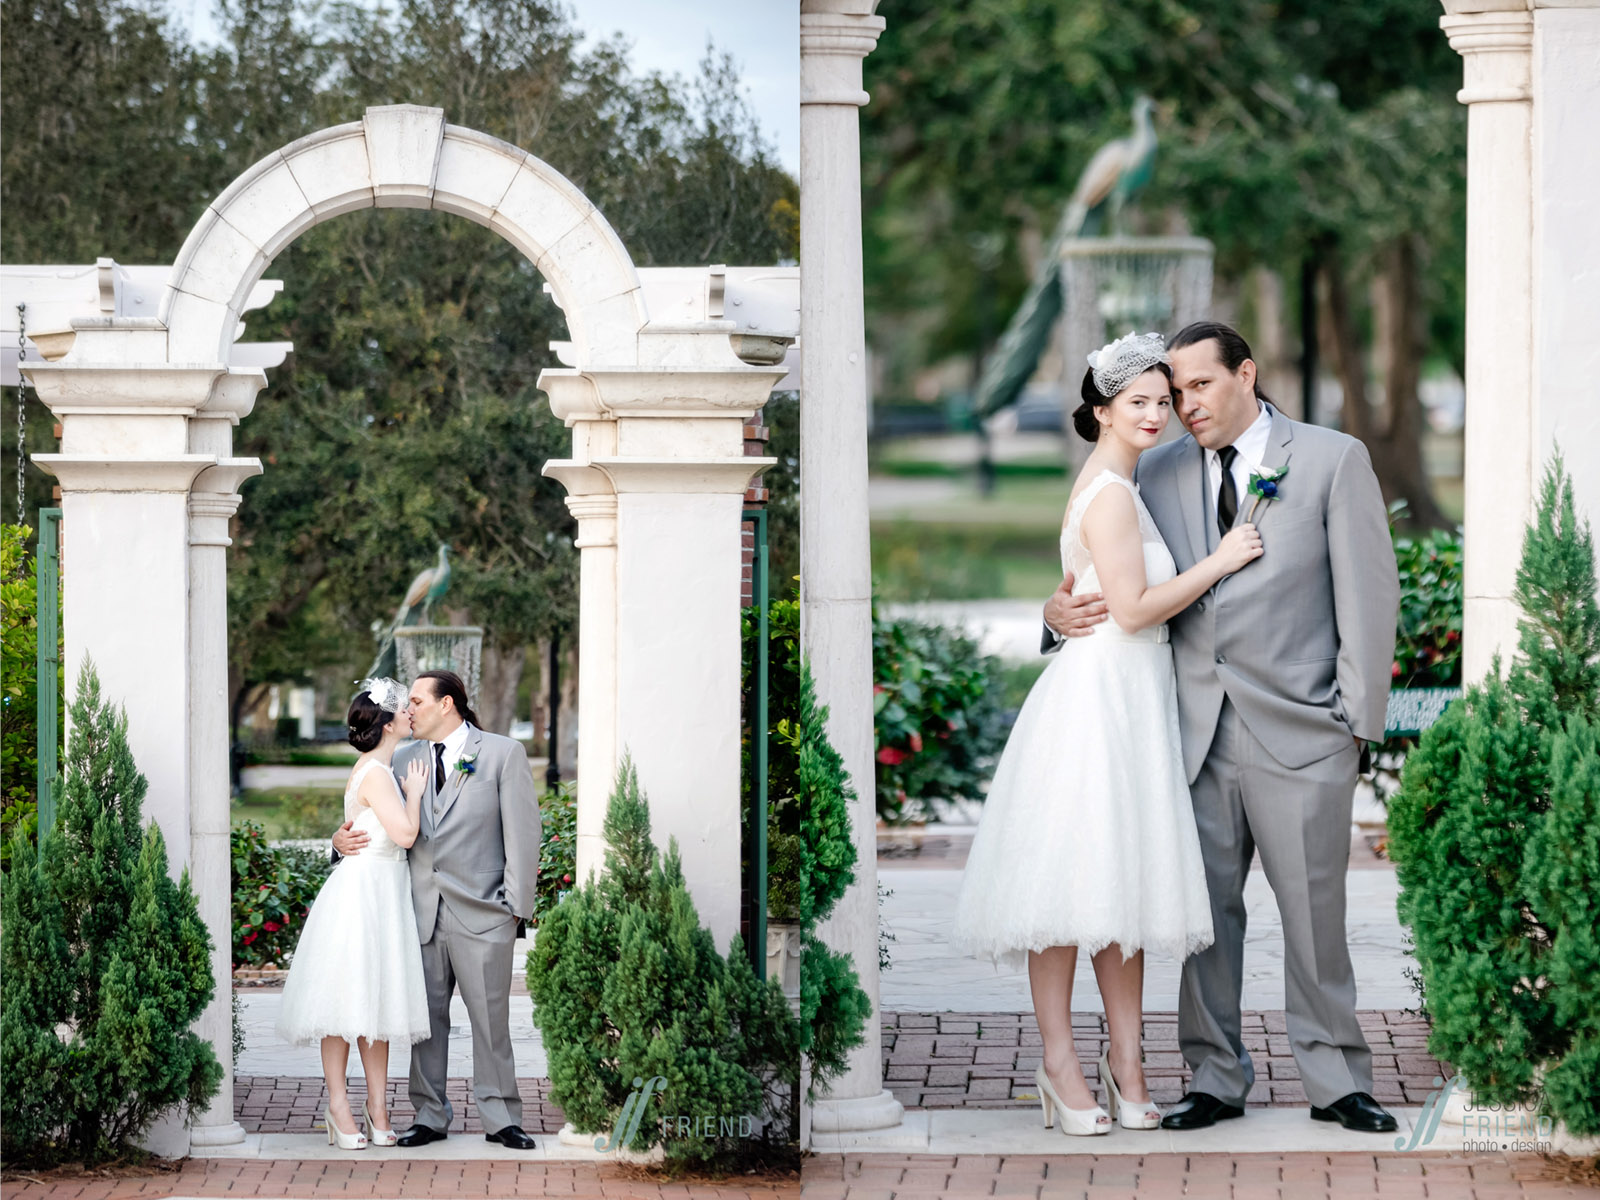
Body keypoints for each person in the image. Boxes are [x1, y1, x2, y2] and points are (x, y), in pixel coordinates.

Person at [1043, 321, 1401, 1133]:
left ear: (1246, 374)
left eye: (1199, 386)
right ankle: (1213, 1076)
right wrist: (1053, 615)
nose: (1184, 406)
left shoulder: (1332, 459)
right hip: (1190, 732)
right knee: (1202, 922)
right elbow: (1102, 571)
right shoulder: (1156, 468)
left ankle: (1337, 1081)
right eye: (1174, 393)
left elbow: (1370, 596)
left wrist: (1355, 725)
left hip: (1304, 729)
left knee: (1315, 916)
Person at [952, 331, 1264, 1136]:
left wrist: (1056, 608)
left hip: (1133, 697)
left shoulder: (1123, 482)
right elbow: (1128, 610)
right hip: (1099, 702)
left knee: (1120, 890)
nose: (1157, 414)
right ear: (1101, 411)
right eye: (1138, 403)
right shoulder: (1112, 493)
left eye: (1164, 401)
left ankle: (1128, 1066)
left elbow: (1084, 588)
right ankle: (1061, 1065)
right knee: (1067, 890)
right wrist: (1223, 558)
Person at [332, 670, 543, 1150]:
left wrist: (515, 909)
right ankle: (429, 1115)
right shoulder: (401, 758)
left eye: (417, 701)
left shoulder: (502, 754)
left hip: (485, 913)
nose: (408, 710)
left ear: (447, 704)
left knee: (491, 1021)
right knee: (424, 1024)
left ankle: (501, 1118)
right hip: (418, 913)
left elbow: (523, 834)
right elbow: (368, 816)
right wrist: (336, 842)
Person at [276, 677, 431, 1150]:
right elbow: (405, 835)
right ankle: (339, 1106)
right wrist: (415, 794)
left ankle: (378, 1108)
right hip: (363, 897)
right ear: (387, 724)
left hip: (382, 893)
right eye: (402, 709)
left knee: (376, 1006)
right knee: (343, 1005)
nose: (409, 713)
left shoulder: (377, 767)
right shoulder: (378, 774)